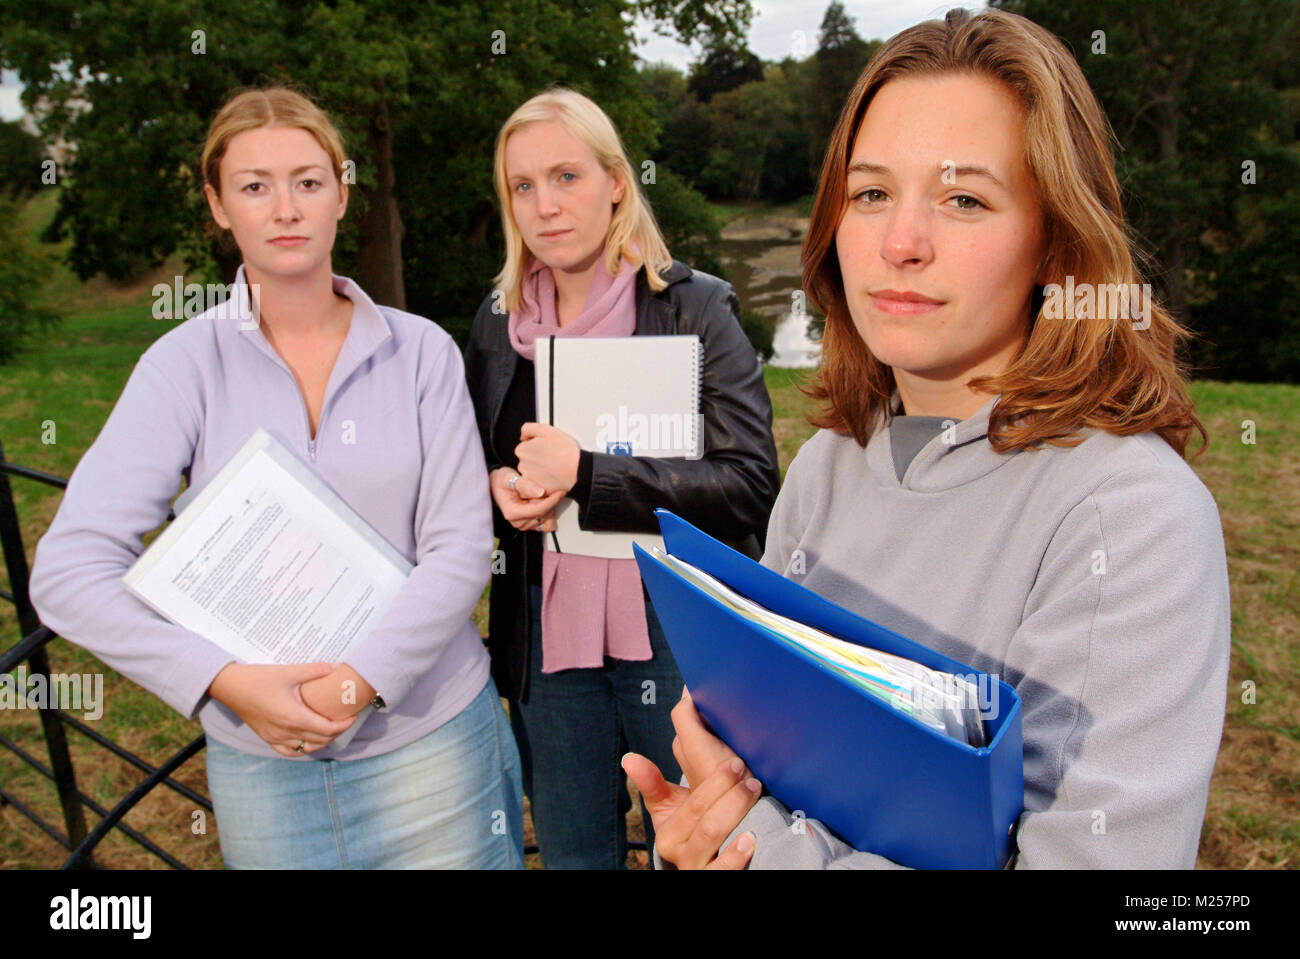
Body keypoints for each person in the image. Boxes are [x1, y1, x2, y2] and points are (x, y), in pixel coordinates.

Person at [623, 7, 1232, 869]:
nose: (900, 243)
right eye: (871, 193)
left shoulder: (1130, 520)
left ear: (1057, 243)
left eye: (964, 199)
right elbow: (762, 766)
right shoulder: (829, 465)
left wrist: (759, 849)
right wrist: (703, 822)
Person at [28, 86, 524, 869]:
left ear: (341, 195)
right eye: (254, 186)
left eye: (307, 181)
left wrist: (354, 686)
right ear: (219, 206)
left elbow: (460, 550)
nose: (284, 207)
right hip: (262, 766)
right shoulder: (181, 366)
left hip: (431, 752)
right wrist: (220, 680)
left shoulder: (421, 350)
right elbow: (66, 572)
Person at [463, 87, 781, 869]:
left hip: (676, 630)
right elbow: (474, 461)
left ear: (615, 181)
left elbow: (749, 483)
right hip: (547, 637)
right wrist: (499, 486)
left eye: (566, 176)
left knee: (707, 848)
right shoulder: (498, 323)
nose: (546, 204)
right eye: (523, 186)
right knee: (574, 853)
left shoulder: (694, 309)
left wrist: (591, 476)